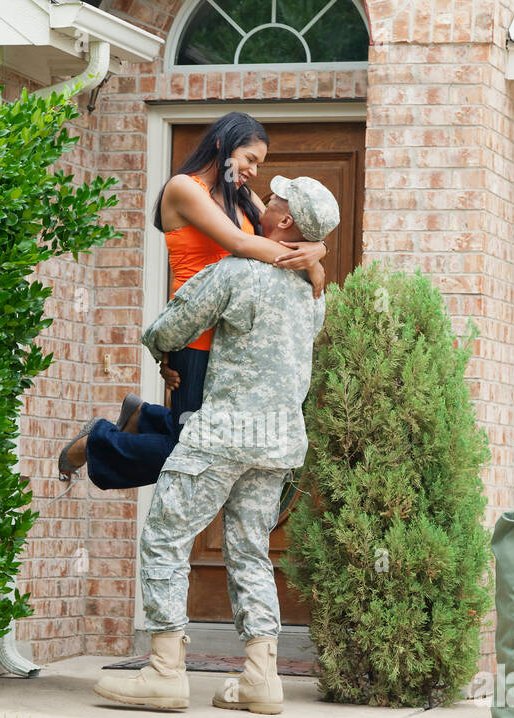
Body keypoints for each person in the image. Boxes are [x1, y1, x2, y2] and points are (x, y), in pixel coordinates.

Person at [93, 176, 341, 716]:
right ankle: (261, 678)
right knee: (250, 551)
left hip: (225, 434)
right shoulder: (312, 294)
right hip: (278, 443)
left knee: (165, 536)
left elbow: (170, 327)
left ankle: (164, 672)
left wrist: (159, 347)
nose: (264, 200)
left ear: (284, 221)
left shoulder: (237, 272)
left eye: (274, 199)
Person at [56, 112, 328, 488]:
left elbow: (280, 236)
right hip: (195, 334)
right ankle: (94, 443)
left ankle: (141, 418)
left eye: (258, 164)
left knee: (204, 435)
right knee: (192, 450)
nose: (253, 171)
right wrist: (312, 260)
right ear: (221, 144)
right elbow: (241, 244)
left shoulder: (242, 196)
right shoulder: (184, 188)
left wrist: (318, 249)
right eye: (249, 159)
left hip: (232, 340)